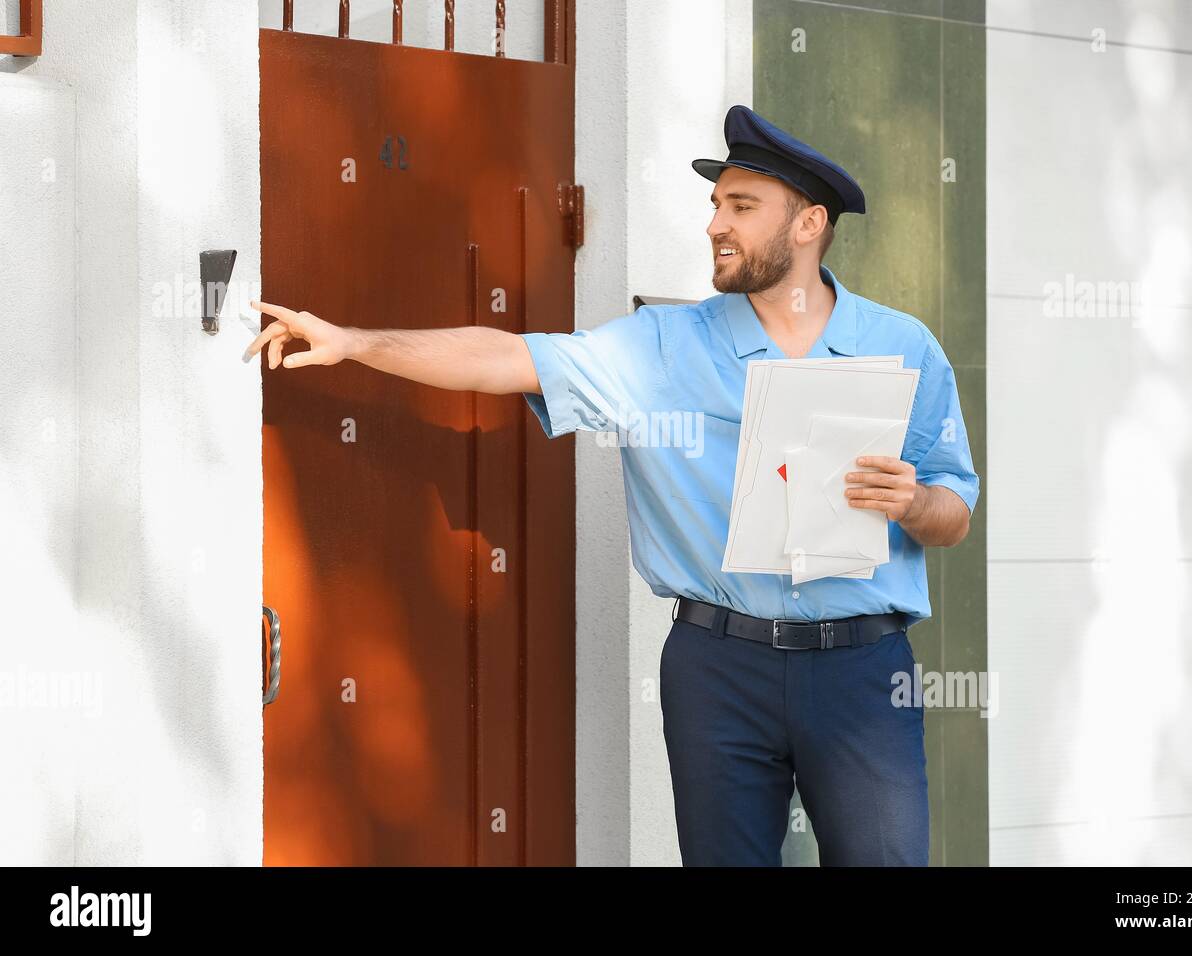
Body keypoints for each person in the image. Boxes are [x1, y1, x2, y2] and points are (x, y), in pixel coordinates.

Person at [243, 104, 979, 867]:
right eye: (715, 205)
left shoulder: (904, 348)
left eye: (741, 206)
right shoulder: (662, 346)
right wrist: (354, 342)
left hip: (860, 671)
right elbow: (506, 357)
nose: (714, 225)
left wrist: (915, 502)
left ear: (808, 223)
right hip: (717, 670)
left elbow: (953, 511)